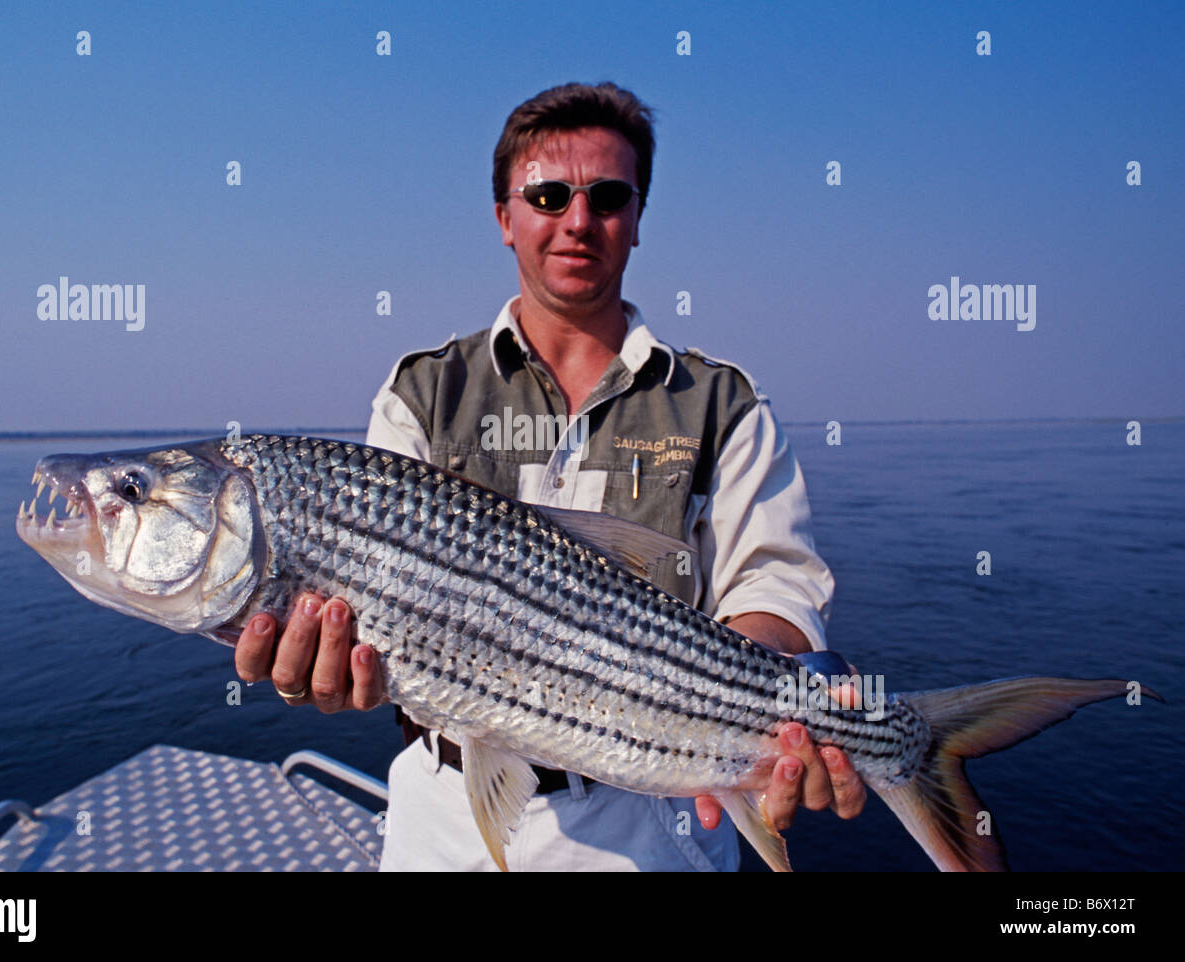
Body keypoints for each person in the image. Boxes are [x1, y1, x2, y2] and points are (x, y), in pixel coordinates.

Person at [234, 82, 865, 871]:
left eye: (607, 196)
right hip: (446, 816)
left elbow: (774, 587)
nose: (577, 220)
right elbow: (358, 616)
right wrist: (313, 670)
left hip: (661, 817)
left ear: (638, 218)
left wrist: (754, 717)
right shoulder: (422, 394)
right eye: (546, 194)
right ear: (505, 217)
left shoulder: (721, 404)